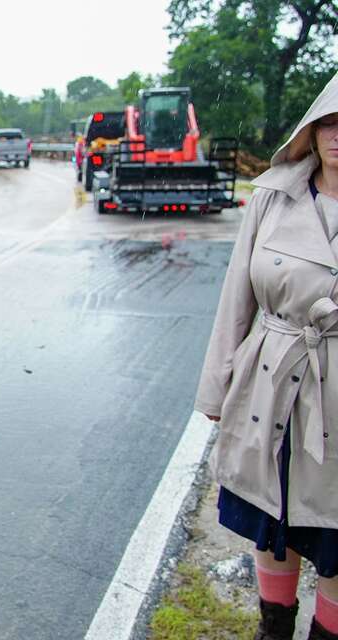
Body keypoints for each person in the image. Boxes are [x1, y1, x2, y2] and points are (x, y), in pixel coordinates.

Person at [196, 72, 338, 640]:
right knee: (272, 517)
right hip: (272, 376)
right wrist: (217, 388)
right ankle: (273, 629)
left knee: (333, 528)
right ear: (311, 131)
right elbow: (236, 297)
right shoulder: (273, 198)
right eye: (328, 123)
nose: (337, 135)